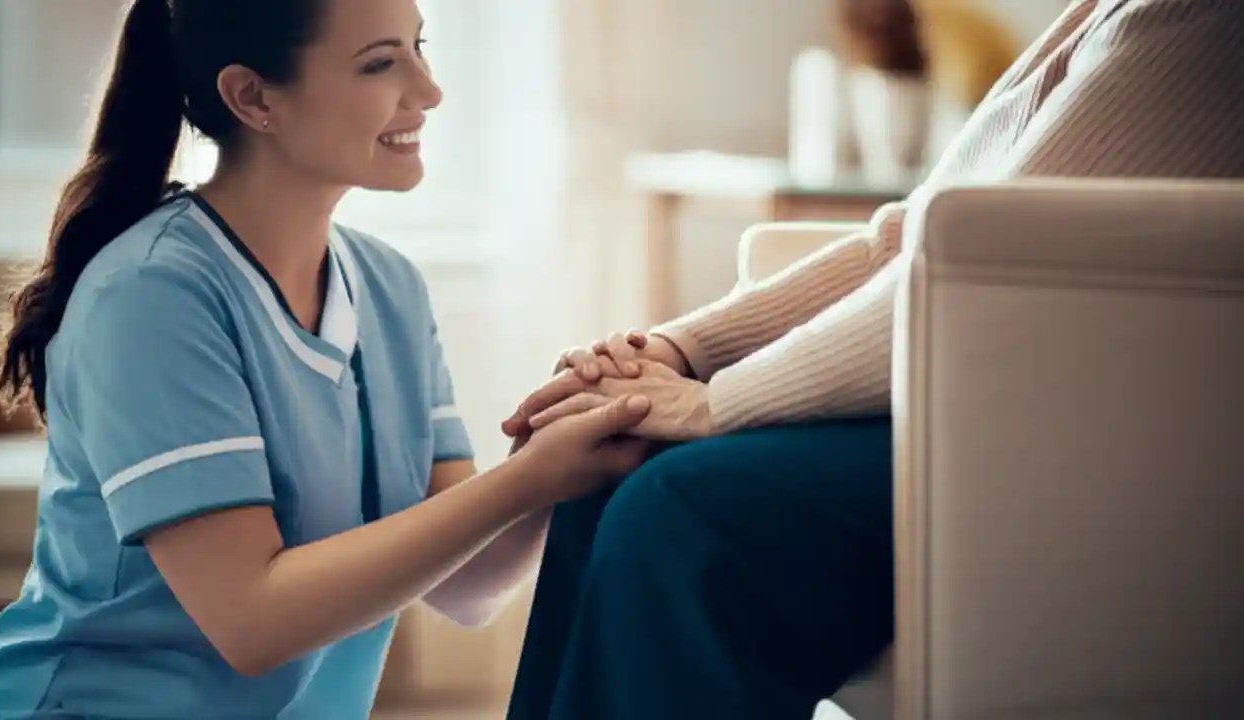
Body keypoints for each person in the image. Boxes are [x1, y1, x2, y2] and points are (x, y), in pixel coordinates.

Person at [503, 0, 1244, 718]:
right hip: (975, 415)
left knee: (677, 510)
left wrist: (717, 403)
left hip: (1078, 450)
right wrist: (680, 350)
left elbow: (996, 268)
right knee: (608, 464)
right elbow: (908, 238)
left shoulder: (1198, 18)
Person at [0, 1, 655, 717]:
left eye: (418, 49)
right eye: (380, 63)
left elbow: (469, 589)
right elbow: (252, 621)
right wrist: (527, 480)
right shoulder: (149, 294)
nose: (429, 91)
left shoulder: (391, 289)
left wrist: (556, 453)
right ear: (253, 97)